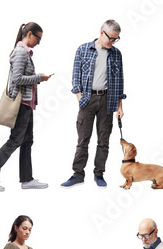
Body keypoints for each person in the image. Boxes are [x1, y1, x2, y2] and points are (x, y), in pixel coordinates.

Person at [0, 23, 50, 192]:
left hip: (27, 104)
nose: (39, 43)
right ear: (30, 34)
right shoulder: (20, 52)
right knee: (15, 140)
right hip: (21, 104)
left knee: (27, 140)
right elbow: (17, 79)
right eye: (38, 38)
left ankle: (26, 179)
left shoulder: (24, 52)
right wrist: (38, 77)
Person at [62, 19, 126, 189]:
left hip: (108, 100)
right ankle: (78, 174)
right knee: (83, 139)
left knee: (103, 140)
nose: (112, 42)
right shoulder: (83, 49)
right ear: (101, 32)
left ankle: (99, 174)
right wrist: (80, 98)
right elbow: (76, 77)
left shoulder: (116, 54)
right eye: (111, 38)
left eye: (116, 39)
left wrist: (120, 107)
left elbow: (119, 82)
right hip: (87, 100)